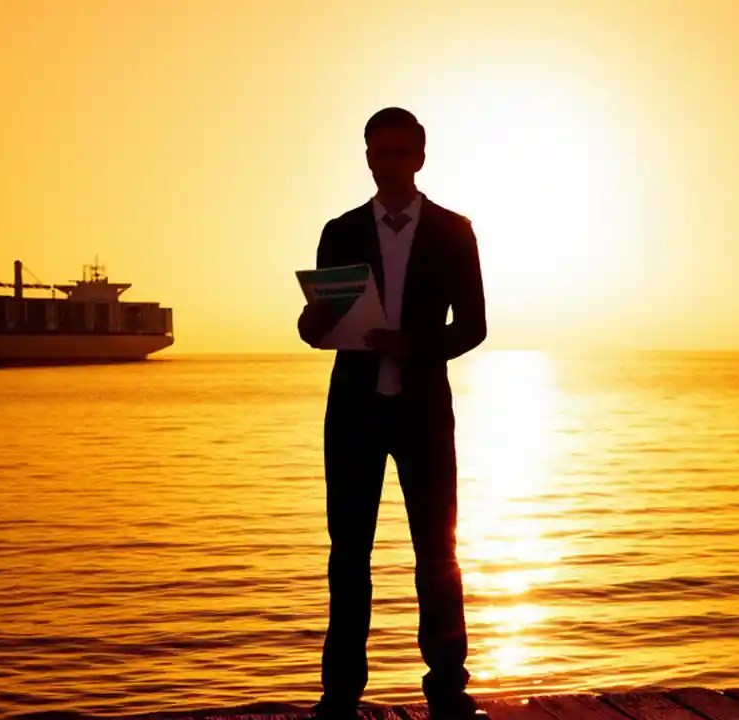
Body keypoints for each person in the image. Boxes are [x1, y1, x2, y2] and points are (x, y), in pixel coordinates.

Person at [297, 107, 488, 720]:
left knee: (437, 550)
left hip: (424, 412)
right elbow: (313, 327)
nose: (391, 163)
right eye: (380, 153)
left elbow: (476, 327)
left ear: (421, 156)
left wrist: (416, 345)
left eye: (402, 152)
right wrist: (315, 321)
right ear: (369, 158)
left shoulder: (455, 230)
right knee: (347, 553)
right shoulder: (340, 230)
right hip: (352, 411)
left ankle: (448, 692)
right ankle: (340, 697)